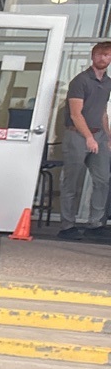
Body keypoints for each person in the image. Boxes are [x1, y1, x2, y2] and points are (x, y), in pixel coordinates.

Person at [58, 40, 111, 240]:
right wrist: (88, 137)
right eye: (100, 54)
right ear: (92, 56)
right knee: (72, 181)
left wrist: (107, 136)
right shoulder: (80, 81)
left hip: (99, 135)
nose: (103, 58)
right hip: (77, 135)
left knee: (102, 180)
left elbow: (103, 112)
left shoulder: (108, 83)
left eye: (107, 55)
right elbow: (75, 114)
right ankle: (67, 225)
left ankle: (96, 224)